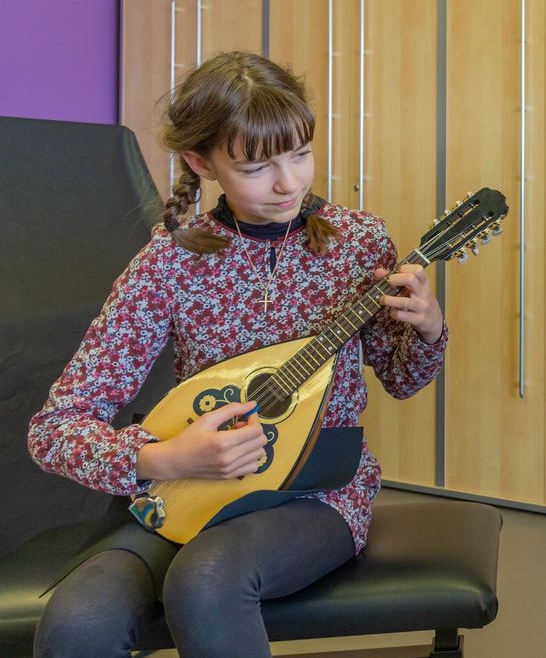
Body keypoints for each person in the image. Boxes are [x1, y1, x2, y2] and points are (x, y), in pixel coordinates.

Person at [27, 51, 447, 657]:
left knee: (206, 581)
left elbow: (403, 380)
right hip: (186, 490)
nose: (288, 184)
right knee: (79, 618)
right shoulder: (170, 262)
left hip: (315, 495)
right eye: (256, 166)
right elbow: (55, 428)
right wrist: (165, 458)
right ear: (201, 162)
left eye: (300, 155)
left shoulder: (359, 243)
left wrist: (429, 328)